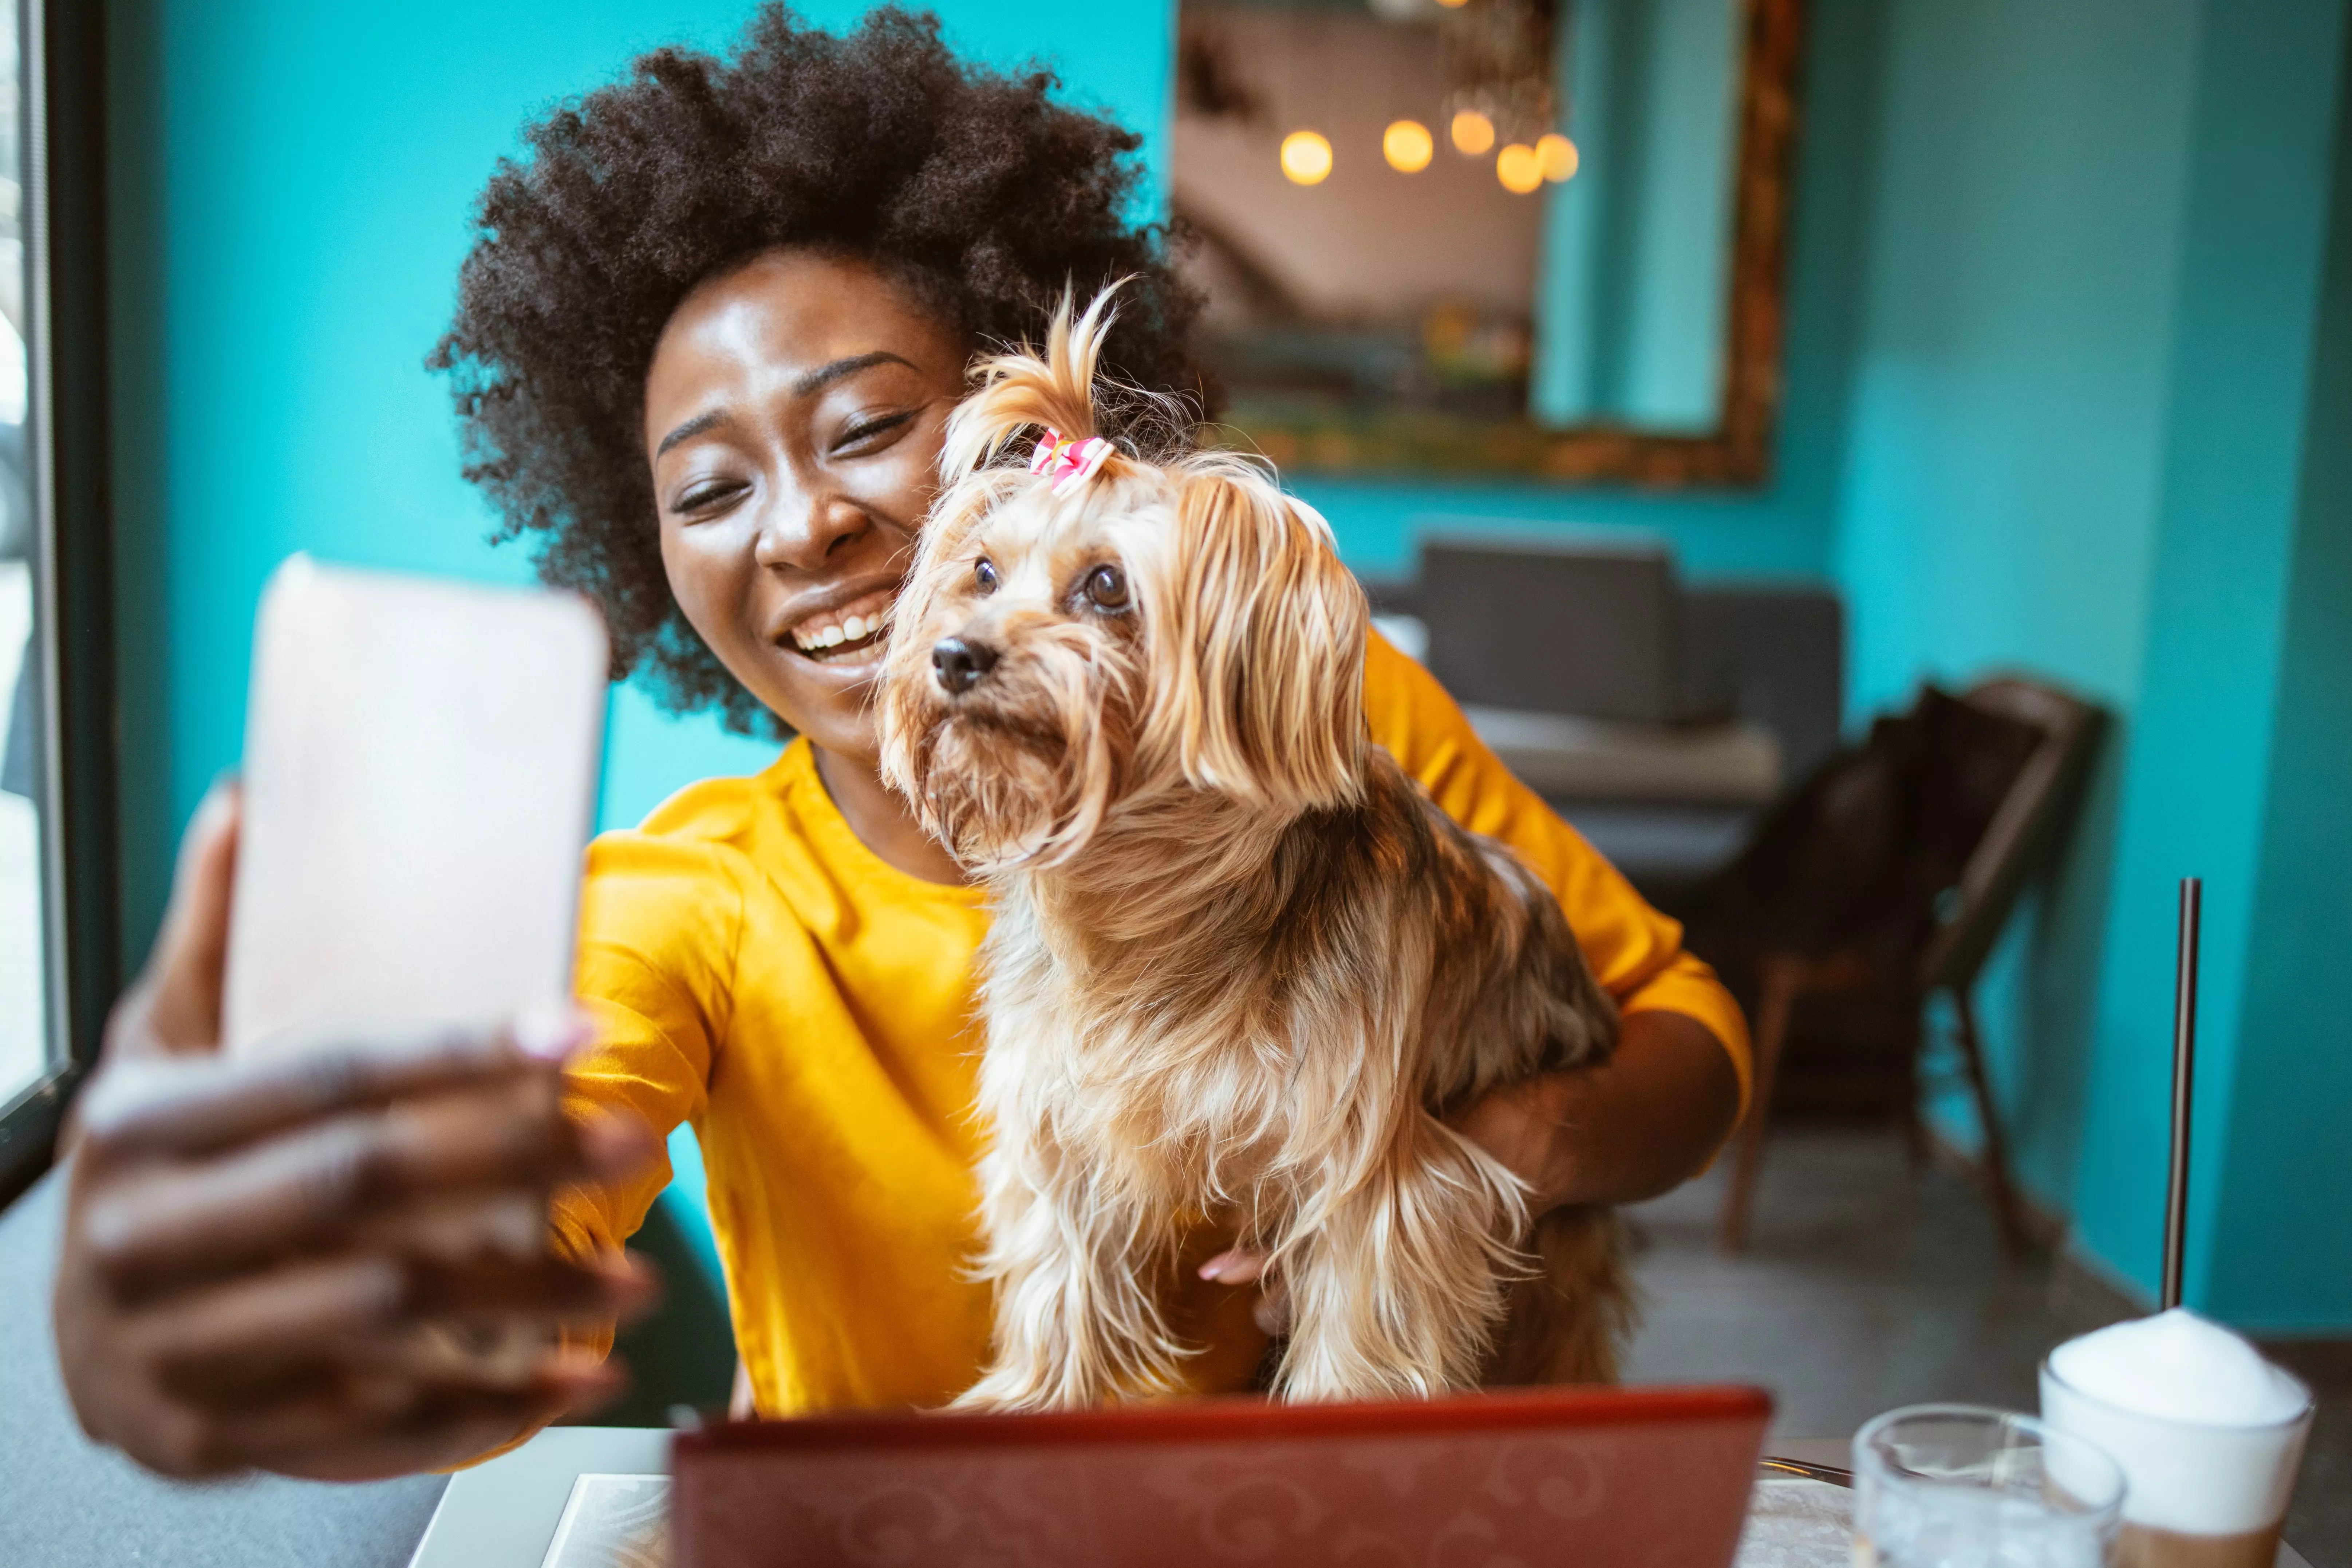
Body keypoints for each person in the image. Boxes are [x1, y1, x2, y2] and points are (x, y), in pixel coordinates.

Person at [53, 6, 1747, 1480]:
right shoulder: (691, 903)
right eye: (710, 488)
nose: (799, 526)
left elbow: (1687, 1041)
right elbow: (469, 1286)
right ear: (645, 550)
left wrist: (1460, 1145)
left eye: (869, 427)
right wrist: (270, 1331)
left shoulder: (1327, 739)